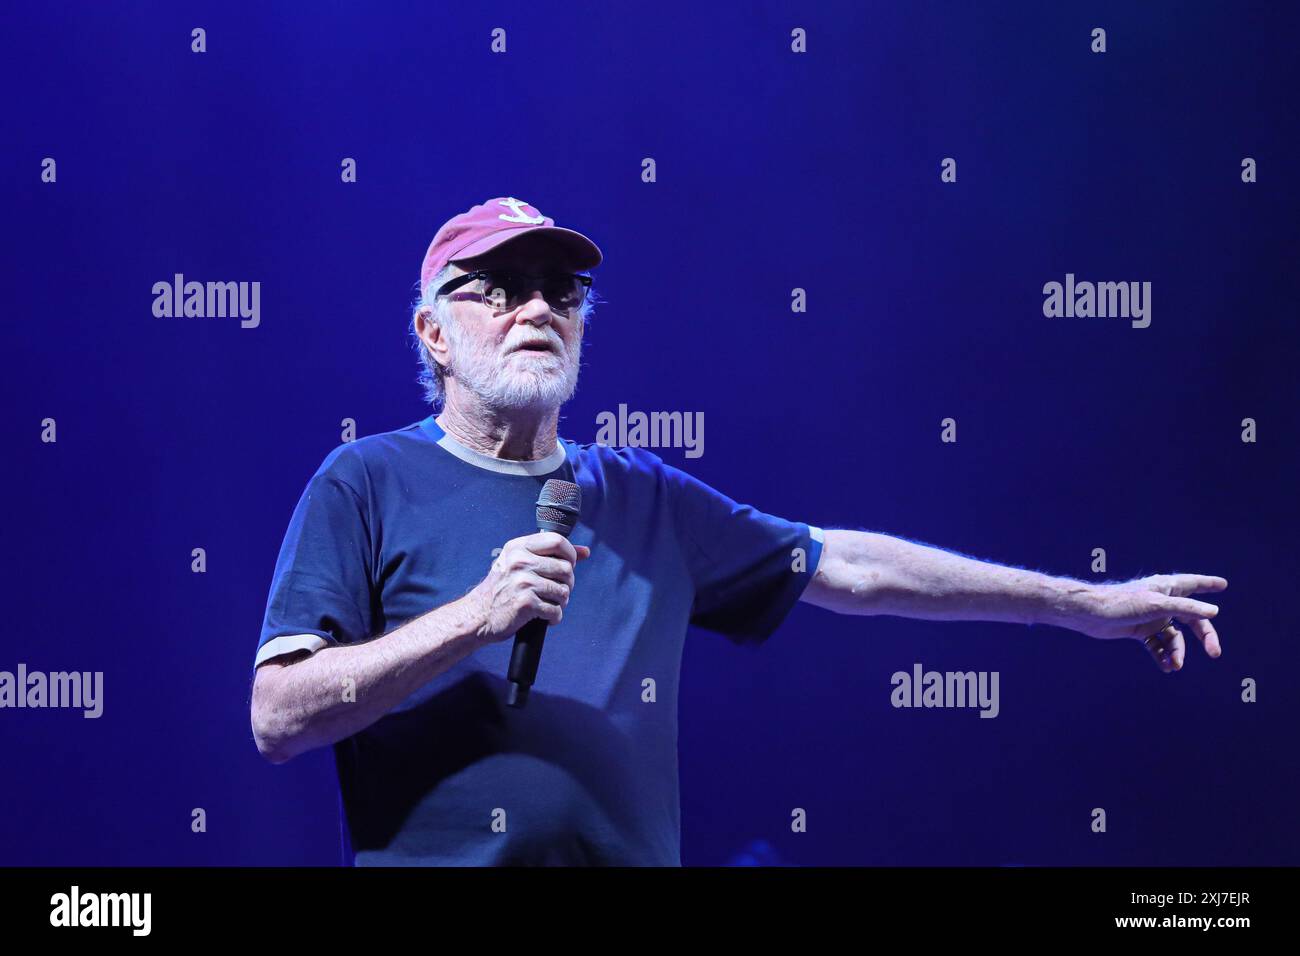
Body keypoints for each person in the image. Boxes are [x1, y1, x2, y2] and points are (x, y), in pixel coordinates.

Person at [248, 196, 1227, 866]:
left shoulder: (644, 494)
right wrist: (471, 618)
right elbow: (278, 716)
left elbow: (847, 560)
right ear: (431, 333)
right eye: (499, 287)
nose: (539, 306)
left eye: (561, 286)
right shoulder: (365, 480)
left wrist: (1082, 602)